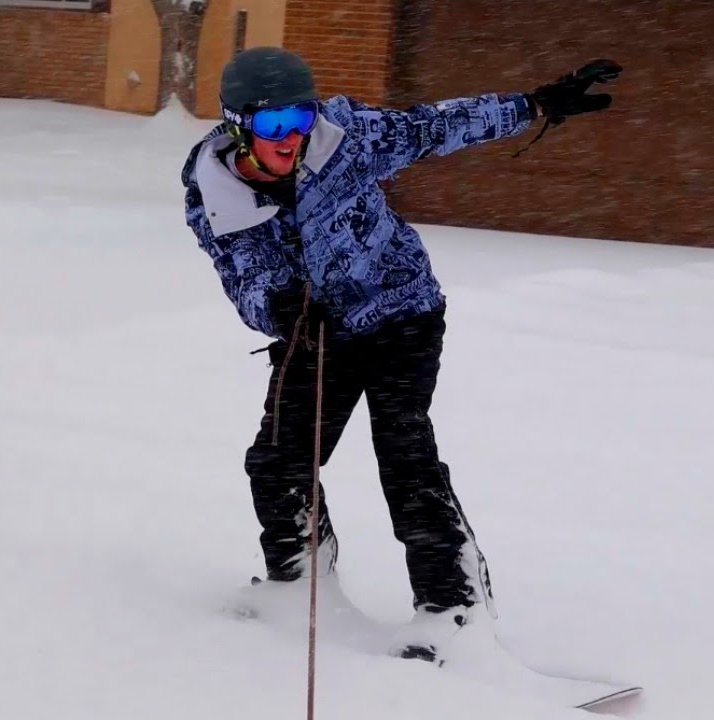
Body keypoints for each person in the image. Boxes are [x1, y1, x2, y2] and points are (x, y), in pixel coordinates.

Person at [180, 47, 620, 660]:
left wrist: (535, 104)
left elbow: (434, 126)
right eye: (272, 124)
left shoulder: (345, 138)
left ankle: (453, 614)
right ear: (237, 126)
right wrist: (277, 306)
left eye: (300, 119)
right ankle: (299, 587)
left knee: (405, 455)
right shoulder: (214, 189)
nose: (291, 138)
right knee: (278, 463)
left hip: (402, 313)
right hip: (319, 333)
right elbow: (242, 275)